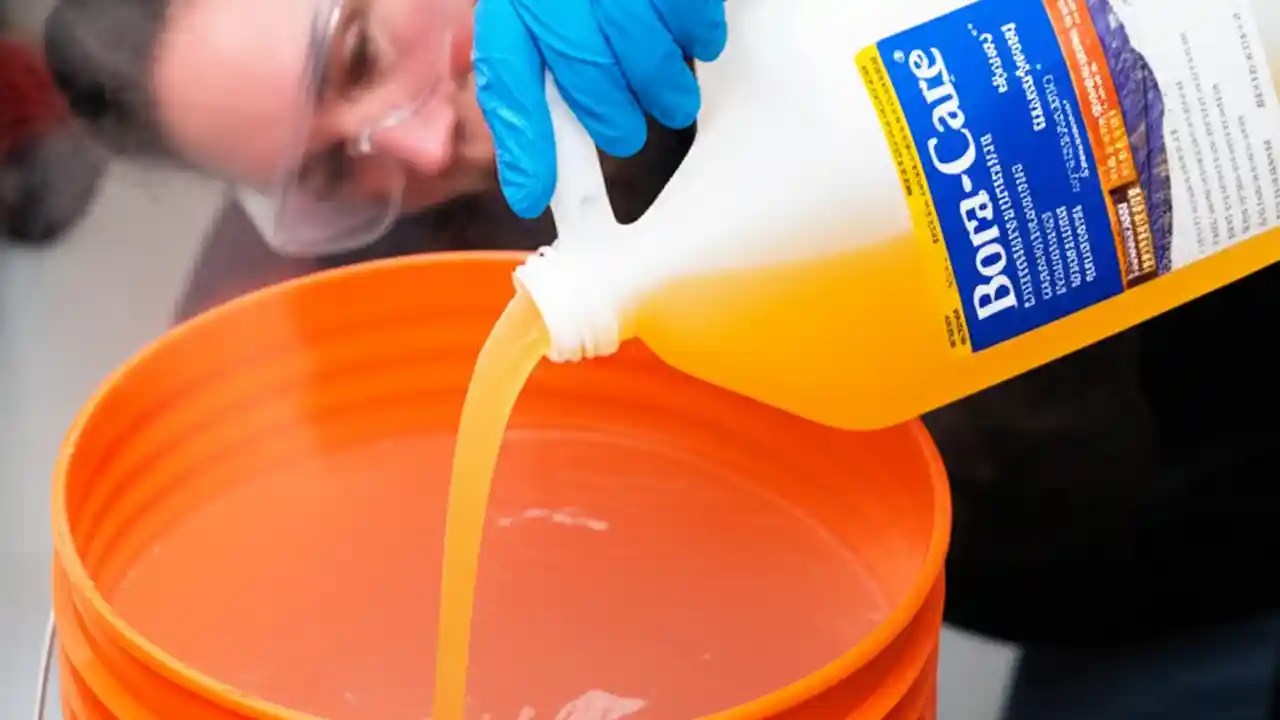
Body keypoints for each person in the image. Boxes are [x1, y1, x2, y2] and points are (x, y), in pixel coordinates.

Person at [41, 0, 1280, 718]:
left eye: (360, 52)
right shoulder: (429, 284)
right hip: (1106, 586)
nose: (411, 150)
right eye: (331, 169)